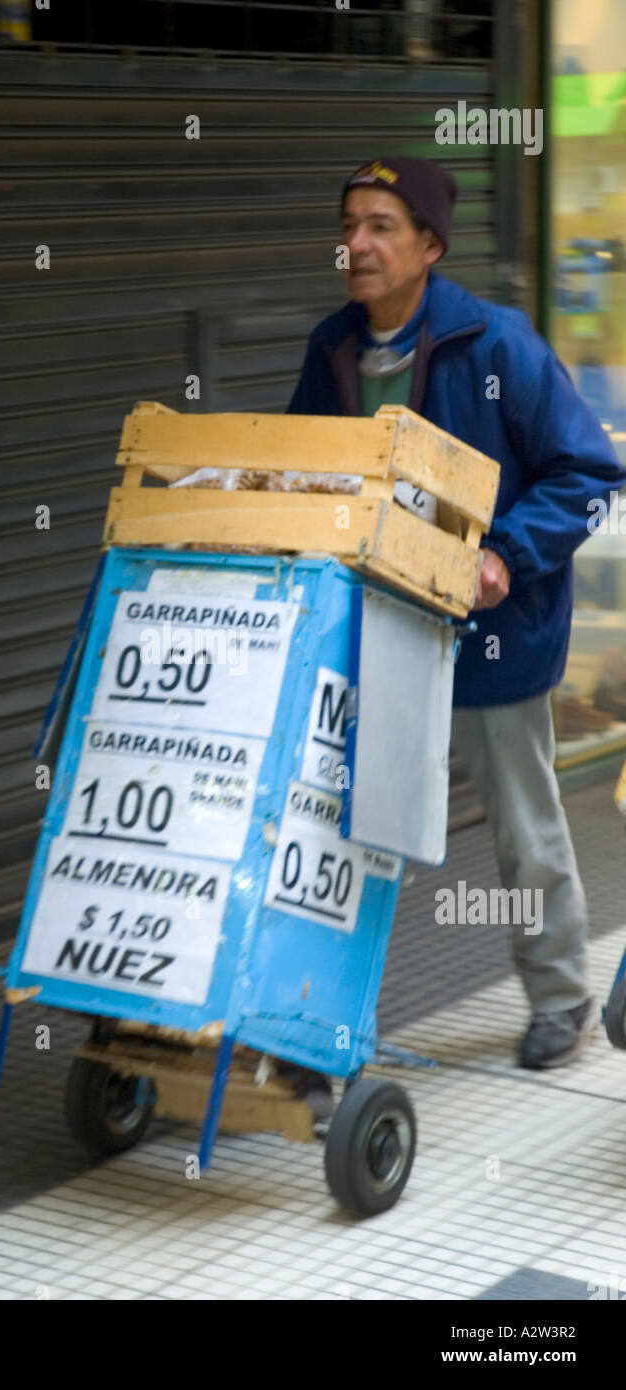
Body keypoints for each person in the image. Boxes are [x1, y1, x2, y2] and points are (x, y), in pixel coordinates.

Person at [286, 155, 626, 1084]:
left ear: (429, 246)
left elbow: (590, 473)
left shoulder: (497, 344)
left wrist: (504, 555)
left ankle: (560, 996)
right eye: (351, 223)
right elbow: (310, 477)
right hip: (375, 633)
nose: (357, 243)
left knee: (523, 827)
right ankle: (317, 1016)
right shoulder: (332, 351)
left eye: (381, 226)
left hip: (490, 638)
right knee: (351, 829)